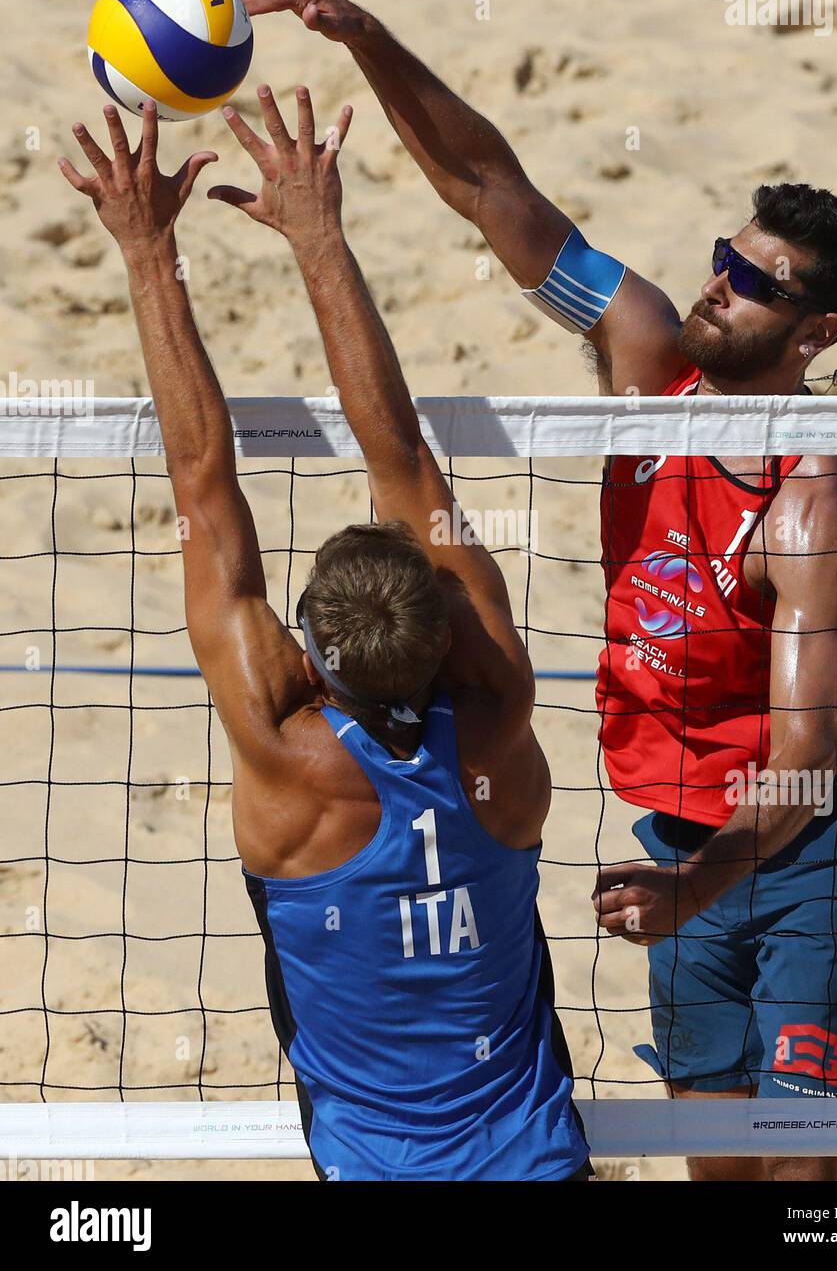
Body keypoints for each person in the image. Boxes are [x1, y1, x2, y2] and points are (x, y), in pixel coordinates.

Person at [236, 0, 837, 1181]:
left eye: (754, 282)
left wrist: (694, 884)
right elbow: (487, 191)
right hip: (679, 833)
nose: (718, 283)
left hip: (810, 845)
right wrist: (367, 40)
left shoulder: (811, 489)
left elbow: (804, 752)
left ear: (814, 333)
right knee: (720, 1167)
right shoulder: (645, 361)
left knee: (812, 1172)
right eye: (723, 257)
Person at [58, 92, 590, 1183]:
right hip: (534, 1160)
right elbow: (400, 451)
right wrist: (318, 235)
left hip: (375, 1169)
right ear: (446, 636)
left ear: (308, 655)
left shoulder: (284, 753)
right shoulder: (499, 722)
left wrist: (150, 252)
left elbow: (204, 492)